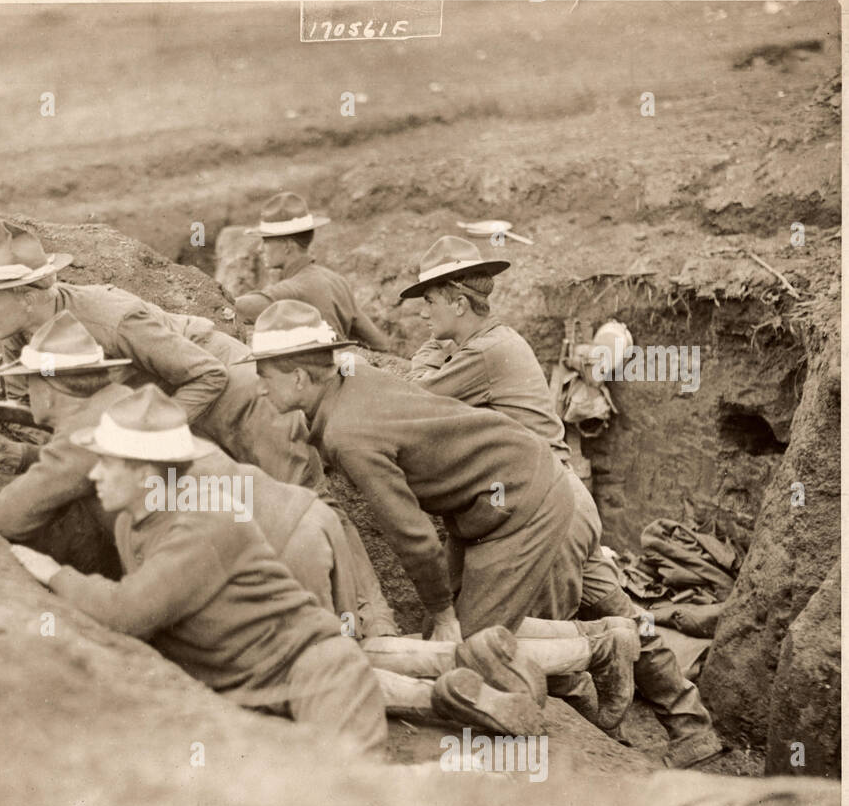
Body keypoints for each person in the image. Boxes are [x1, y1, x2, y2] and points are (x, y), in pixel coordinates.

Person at [0, 316, 638, 732]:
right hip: (312, 521)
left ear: (49, 391)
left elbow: (8, 516)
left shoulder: (90, 433)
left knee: (335, 654)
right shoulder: (137, 404)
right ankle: (544, 658)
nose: (28, 401)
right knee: (358, 646)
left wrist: (439, 602)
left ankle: (506, 680)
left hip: (295, 534)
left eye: (29, 390)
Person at [6, 385, 565, 752]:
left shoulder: (196, 529)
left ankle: (470, 697)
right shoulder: (138, 520)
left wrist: (45, 571)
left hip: (317, 675)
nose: (93, 474)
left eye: (107, 461)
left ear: (147, 469)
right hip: (275, 673)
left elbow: (127, 613)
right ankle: (457, 683)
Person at [396, 236, 724, 769]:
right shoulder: (497, 342)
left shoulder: (482, 352)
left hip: (537, 511)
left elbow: (412, 401)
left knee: (529, 644)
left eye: (428, 300)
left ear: (458, 300)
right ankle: (691, 727)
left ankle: (596, 752)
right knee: (618, 609)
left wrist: (431, 351)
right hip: (566, 498)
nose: (421, 312)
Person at [244, 300, 642, 733]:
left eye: (265, 377)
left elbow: (413, 535)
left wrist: (444, 614)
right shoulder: (351, 373)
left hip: (520, 500)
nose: (260, 389)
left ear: (300, 377)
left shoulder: (349, 436)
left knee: (467, 653)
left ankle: (601, 647)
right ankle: (597, 645)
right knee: (448, 640)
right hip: (490, 495)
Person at [0, 218, 317, 487]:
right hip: (172, 396)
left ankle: (362, 593)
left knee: (301, 502)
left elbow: (207, 374)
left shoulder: (112, 320)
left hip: (235, 386)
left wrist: (146, 434)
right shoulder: (19, 334)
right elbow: (36, 413)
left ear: (27, 297)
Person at [234, 191, 391, 351]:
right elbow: (379, 343)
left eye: (265, 241)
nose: (260, 249)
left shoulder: (293, 288)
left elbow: (236, 307)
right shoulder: (336, 280)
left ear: (287, 245)